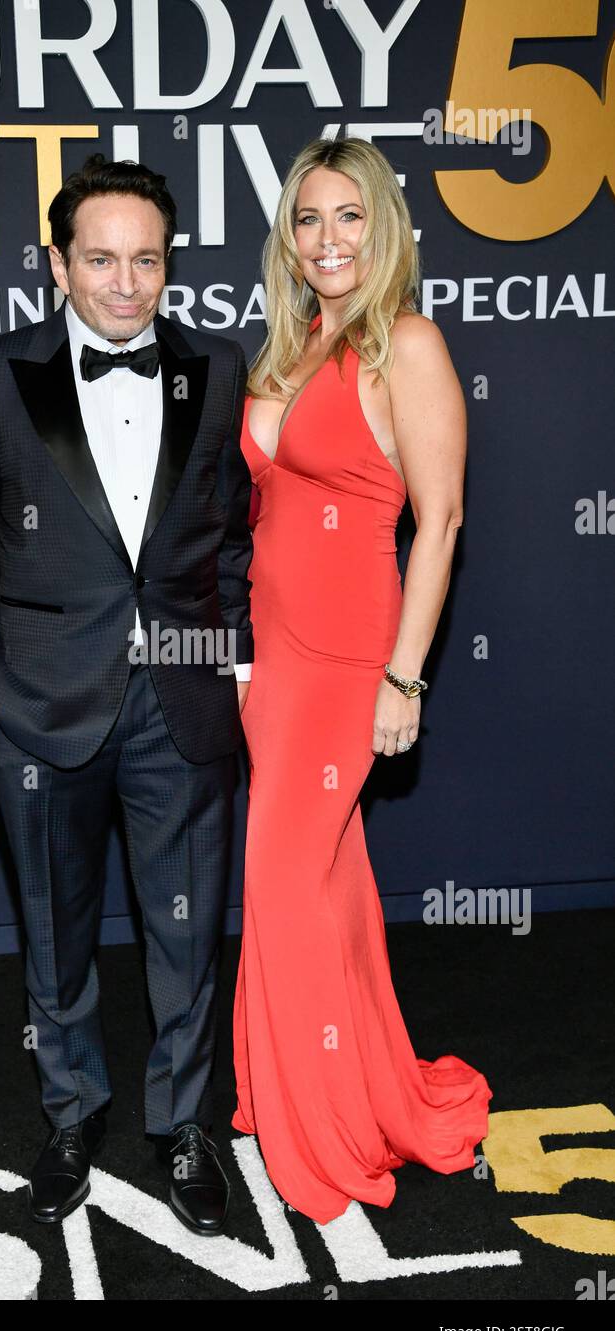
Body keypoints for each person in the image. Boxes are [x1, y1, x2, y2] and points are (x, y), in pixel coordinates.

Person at [0, 154, 254, 1235]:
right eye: (99, 259)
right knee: (54, 933)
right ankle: (71, 1114)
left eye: (145, 259)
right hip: (39, 708)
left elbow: (231, 537)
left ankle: (183, 1126)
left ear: (166, 264)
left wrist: (231, 657)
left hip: (182, 704)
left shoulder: (215, 364)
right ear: (57, 263)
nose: (124, 283)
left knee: (189, 930)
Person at [232, 136, 492, 1224]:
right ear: (286, 238)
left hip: (351, 663)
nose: (326, 239)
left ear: (381, 228)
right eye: (306, 219)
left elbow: (439, 523)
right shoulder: (290, 342)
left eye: (347, 217)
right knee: (329, 890)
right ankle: (349, 1088)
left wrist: (403, 680)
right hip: (273, 660)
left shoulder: (408, 346)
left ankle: (319, 1134)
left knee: (280, 890)